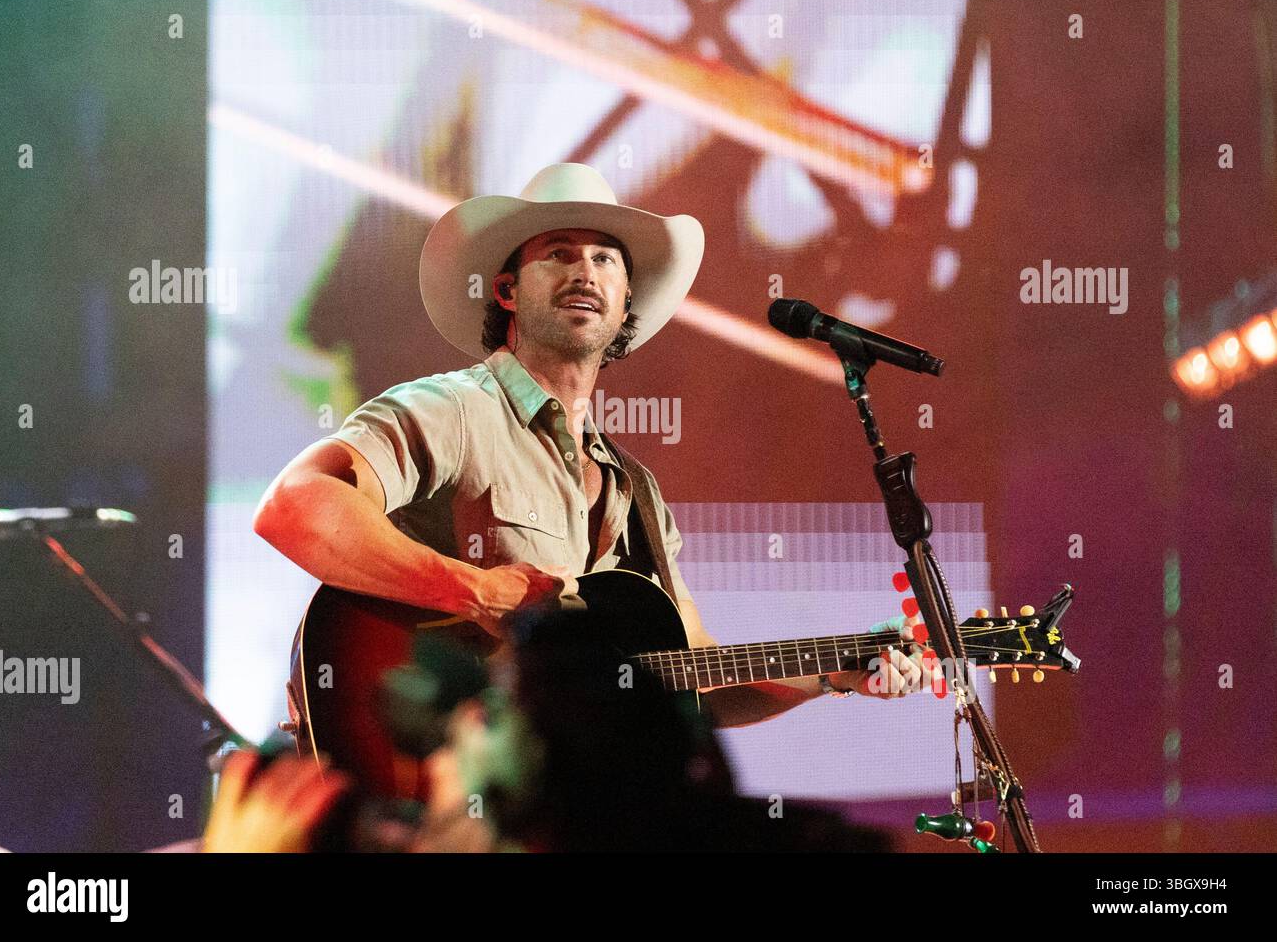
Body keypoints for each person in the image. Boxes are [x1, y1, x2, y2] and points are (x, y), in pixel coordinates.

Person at [254, 163, 931, 730]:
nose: (585, 271)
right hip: (427, 777)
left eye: (604, 258)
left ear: (624, 296)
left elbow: (695, 676)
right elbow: (293, 506)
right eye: (558, 253)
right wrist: (474, 588)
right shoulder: (454, 410)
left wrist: (834, 674)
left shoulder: (635, 489)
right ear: (507, 291)